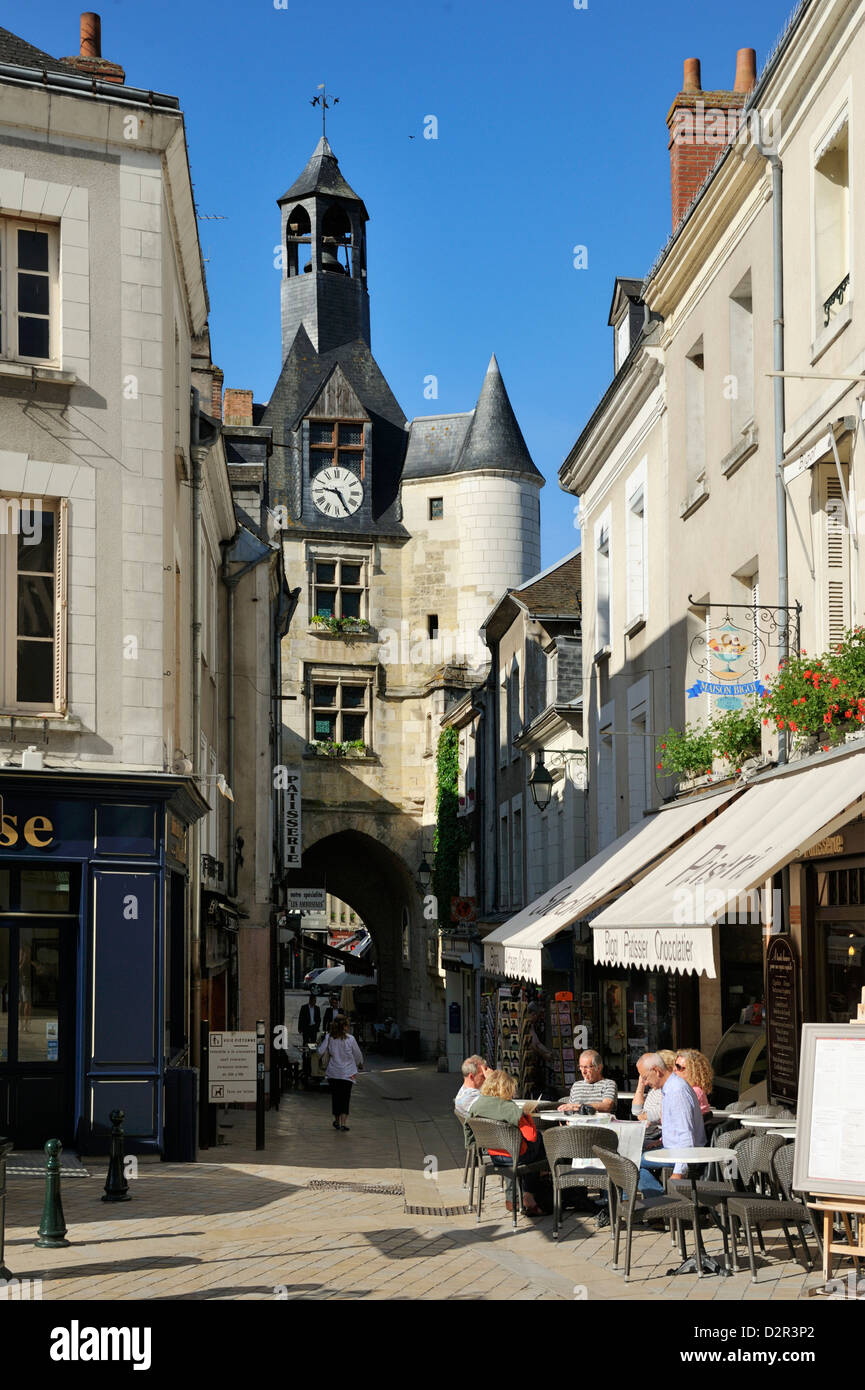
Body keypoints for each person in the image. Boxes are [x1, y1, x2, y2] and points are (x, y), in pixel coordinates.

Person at [473, 1069, 543, 1216]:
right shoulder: (510, 1108)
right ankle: (529, 1196)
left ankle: (511, 1199)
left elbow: (469, 1127)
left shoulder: (477, 1105)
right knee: (540, 1142)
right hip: (515, 1156)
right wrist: (527, 1116)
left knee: (512, 1149)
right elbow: (530, 1136)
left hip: (494, 1155)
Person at [634, 1051, 705, 1194]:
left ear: (656, 1070)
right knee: (631, 1158)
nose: (645, 1083)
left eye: (646, 1077)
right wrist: (661, 1142)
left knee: (630, 1163)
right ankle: (656, 1202)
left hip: (682, 1154)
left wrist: (679, 1171)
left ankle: (660, 1203)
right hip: (672, 1149)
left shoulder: (676, 1091)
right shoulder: (671, 1088)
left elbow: (686, 1134)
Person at [317, 1015, 364, 1131]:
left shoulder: (329, 1037)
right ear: (345, 1027)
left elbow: (319, 1051)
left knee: (336, 1097)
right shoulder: (350, 1039)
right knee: (345, 1098)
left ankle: (337, 1121)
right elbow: (358, 1054)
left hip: (333, 1072)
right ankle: (343, 1123)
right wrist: (360, 1063)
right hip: (347, 1073)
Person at [676, 1048, 713, 1115]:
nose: (674, 1070)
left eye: (678, 1067)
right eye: (675, 1066)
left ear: (693, 1070)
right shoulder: (687, 1089)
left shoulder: (694, 1092)